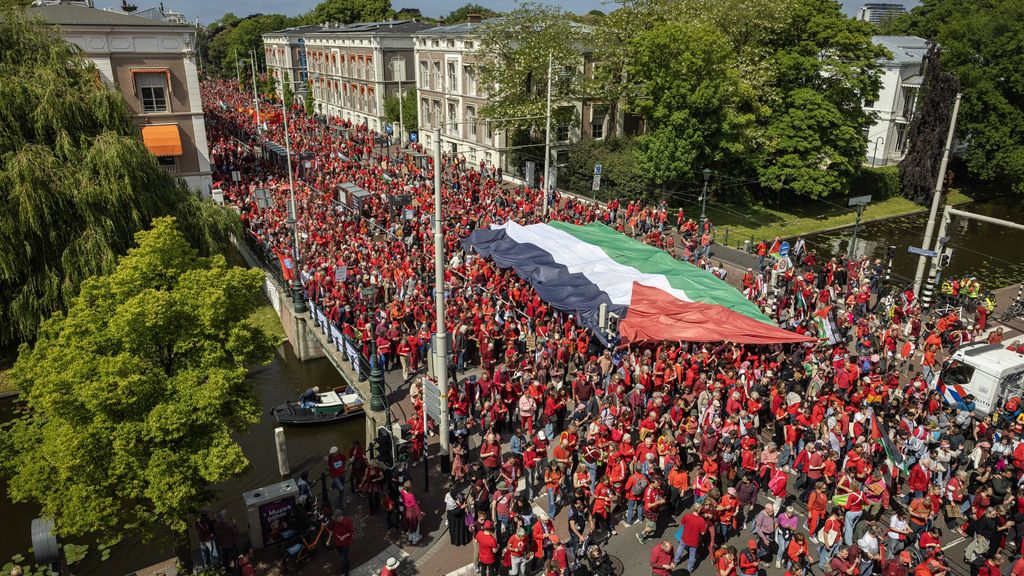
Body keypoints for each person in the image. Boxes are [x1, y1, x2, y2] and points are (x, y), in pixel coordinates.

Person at [328, 509, 354, 576]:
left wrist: (344, 537)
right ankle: (345, 566)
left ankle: (346, 571)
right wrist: (329, 540)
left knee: (343, 557)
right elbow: (331, 530)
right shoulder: (334, 522)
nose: (335, 520)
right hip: (337, 543)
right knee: (342, 556)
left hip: (345, 543)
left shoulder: (347, 521)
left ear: (340, 517)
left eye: (336, 518)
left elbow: (351, 531)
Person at [400, 480, 424, 545]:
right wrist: (420, 513)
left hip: (406, 511)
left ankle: (410, 538)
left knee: (409, 525)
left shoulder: (402, 492)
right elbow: (415, 505)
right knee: (415, 526)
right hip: (412, 512)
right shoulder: (411, 495)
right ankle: (415, 539)